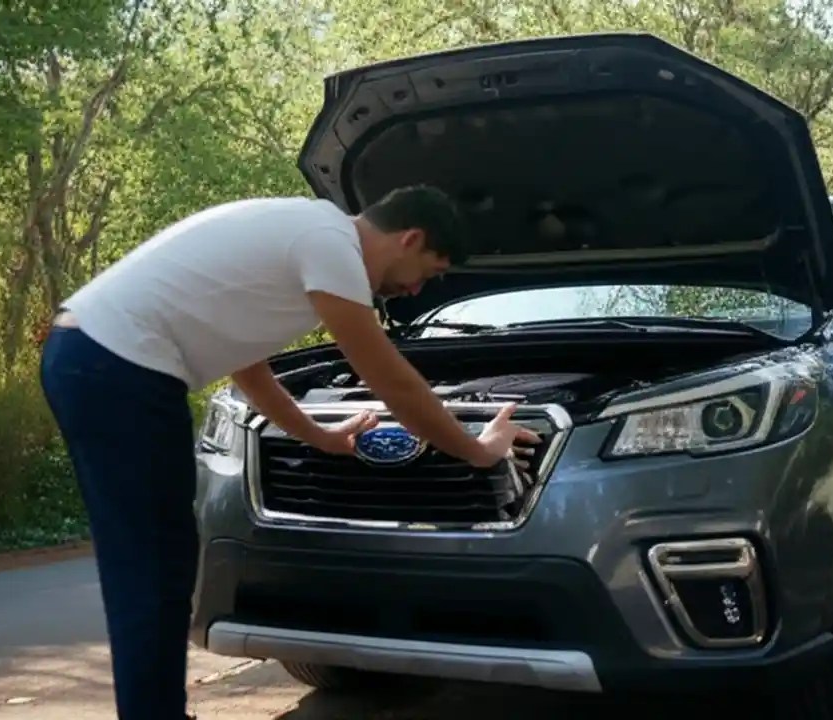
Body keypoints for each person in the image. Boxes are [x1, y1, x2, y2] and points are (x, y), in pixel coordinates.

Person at [38, 185, 539, 720]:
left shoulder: (310, 235)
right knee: (151, 565)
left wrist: (317, 436)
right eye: (428, 271)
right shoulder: (332, 247)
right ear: (408, 237)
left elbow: (248, 365)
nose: (418, 289)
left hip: (95, 358)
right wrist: (480, 451)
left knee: (154, 561)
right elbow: (396, 385)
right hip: (116, 365)